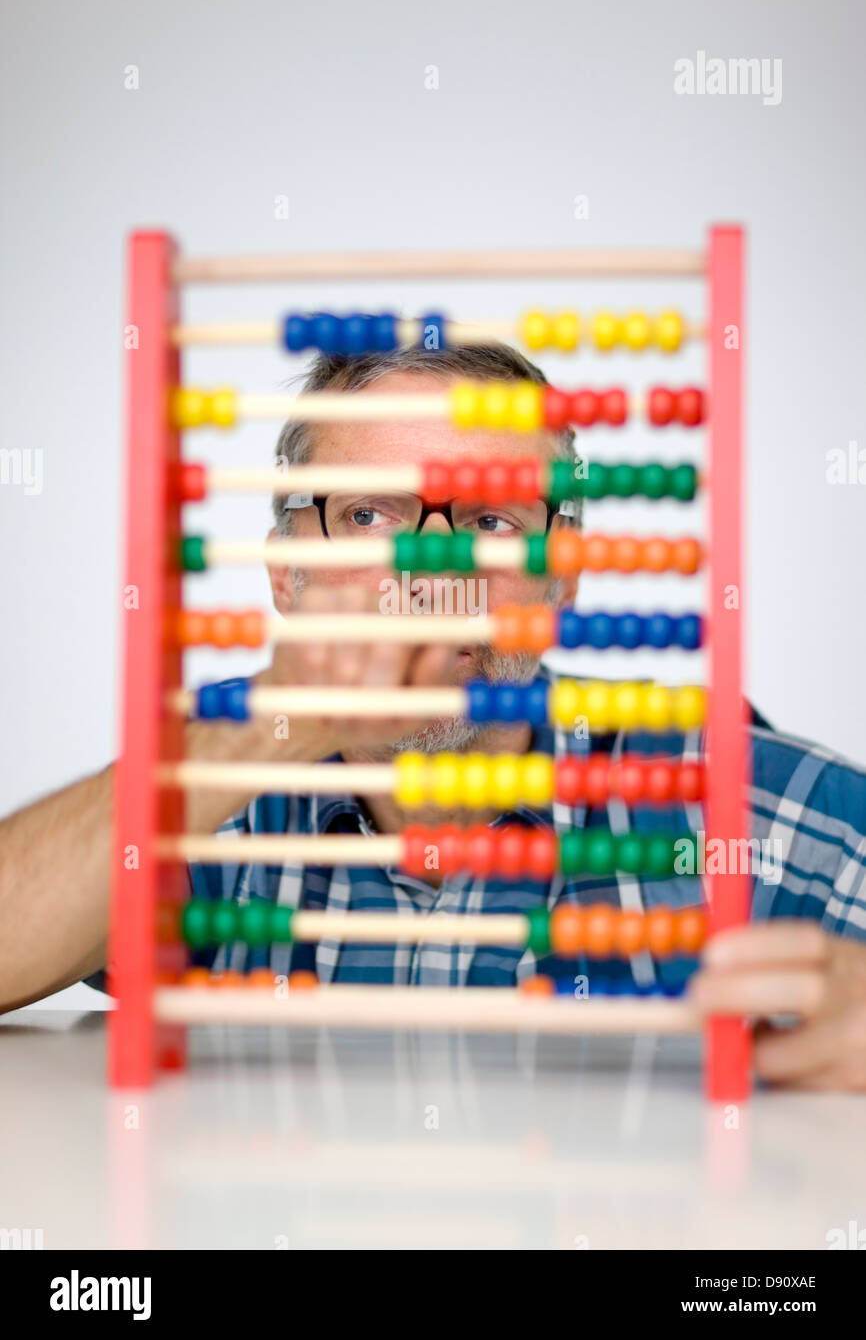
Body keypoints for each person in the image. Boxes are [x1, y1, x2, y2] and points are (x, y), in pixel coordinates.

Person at [2, 342, 865, 1091]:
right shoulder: (202, 820)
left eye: (491, 518)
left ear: (562, 576)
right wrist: (275, 724)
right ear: (284, 573)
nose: (428, 574)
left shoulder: (756, 811)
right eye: (367, 514)